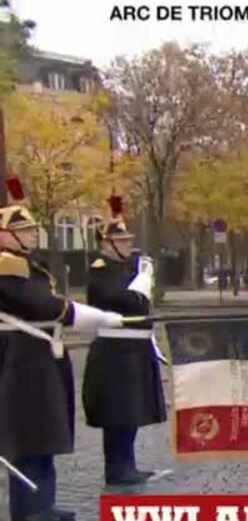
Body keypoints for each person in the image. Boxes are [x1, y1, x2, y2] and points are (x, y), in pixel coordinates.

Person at [0, 177, 125, 521]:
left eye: (31, 229)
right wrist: (89, 316)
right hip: (24, 354)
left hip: (37, 350)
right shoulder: (7, 264)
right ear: (4, 235)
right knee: (30, 428)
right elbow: (38, 304)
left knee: (44, 426)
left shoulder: (24, 262)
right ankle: (29, 507)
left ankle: (42, 501)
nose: (31, 235)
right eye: (23, 231)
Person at [82, 196, 166, 486]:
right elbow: (117, 298)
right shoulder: (101, 269)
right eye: (122, 241)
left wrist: (140, 273)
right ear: (107, 244)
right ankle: (117, 468)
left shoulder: (127, 267)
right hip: (115, 349)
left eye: (129, 240)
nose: (129, 245)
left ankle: (128, 463)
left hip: (135, 347)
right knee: (118, 412)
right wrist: (139, 282)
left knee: (131, 411)